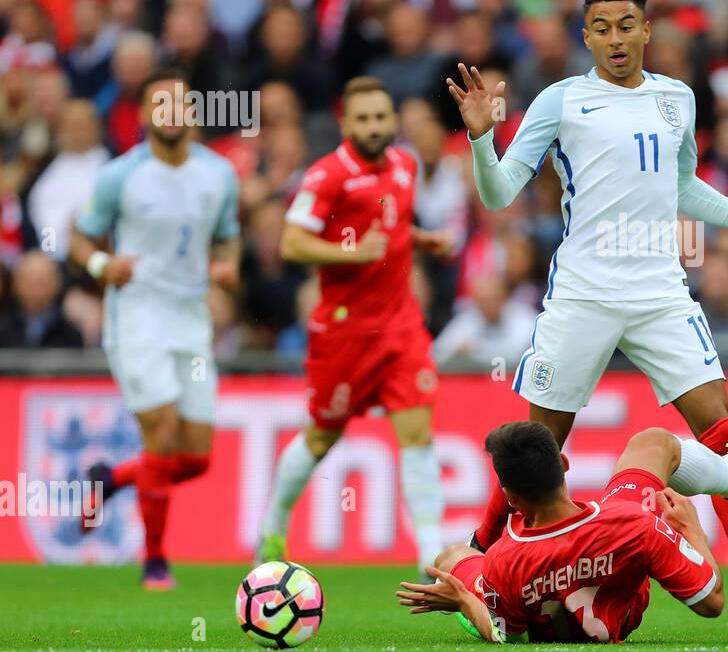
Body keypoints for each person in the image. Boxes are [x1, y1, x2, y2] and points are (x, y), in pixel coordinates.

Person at [449, 0, 728, 639]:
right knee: (538, 446)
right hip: (584, 292)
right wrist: (484, 139)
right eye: (602, 28)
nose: (616, 38)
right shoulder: (562, 101)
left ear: (647, 29)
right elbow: (499, 194)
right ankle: (480, 569)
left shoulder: (677, 99)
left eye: (627, 24)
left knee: (725, 434)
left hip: (659, 290)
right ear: (587, 37)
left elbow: (687, 189)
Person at [255, 77, 455, 572]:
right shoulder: (326, 176)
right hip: (344, 331)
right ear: (345, 123)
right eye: (363, 118)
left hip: (400, 325)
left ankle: (430, 554)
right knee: (323, 436)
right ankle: (274, 524)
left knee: (417, 433)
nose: (373, 126)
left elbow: (388, 226)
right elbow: (292, 244)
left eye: (381, 117)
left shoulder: (406, 166)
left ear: (392, 120)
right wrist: (346, 251)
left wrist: (421, 239)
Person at [395, 400, 728, 644]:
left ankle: (471, 594)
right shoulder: (635, 522)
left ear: (511, 499)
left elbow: (504, 636)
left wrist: (464, 600)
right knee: (653, 442)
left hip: (524, 579)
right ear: (564, 465)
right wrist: (693, 531)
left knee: (450, 557)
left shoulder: (502, 560)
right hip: (620, 583)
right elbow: (712, 603)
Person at [69, 70, 241, 589]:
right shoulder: (120, 176)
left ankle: (111, 478)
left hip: (191, 319)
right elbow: (80, 238)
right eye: (159, 104)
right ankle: (155, 561)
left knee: (194, 458)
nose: (171, 112)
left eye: (181, 103)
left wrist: (226, 268)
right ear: (143, 115)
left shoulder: (219, 175)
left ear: (194, 113)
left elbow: (228, 237)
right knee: (161, 436)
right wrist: (102, 266)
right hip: (138, 314)